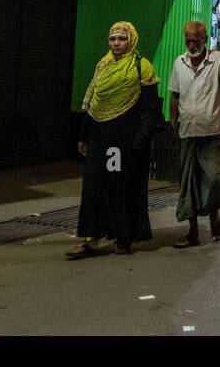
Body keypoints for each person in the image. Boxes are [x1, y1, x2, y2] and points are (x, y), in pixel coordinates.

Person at [68, 21, 160, 259]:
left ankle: (123, 236)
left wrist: (139, 142)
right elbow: (93, 101)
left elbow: (151, 109)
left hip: (123, 141)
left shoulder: (142, 67)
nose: (117, 43)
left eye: (122, 39)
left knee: (117, 186)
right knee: (92, 187)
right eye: (113, 39)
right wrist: (83, 135)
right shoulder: (104, 64)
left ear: (131, 41)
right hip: (99, 135)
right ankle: (90, 238)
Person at [169, 20, 220, 248]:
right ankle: (193, 232)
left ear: (204, 40)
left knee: (212, 179)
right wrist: (174, 120)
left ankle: (215, 217)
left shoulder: (218, 60)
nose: (191, 45)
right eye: (187, 41)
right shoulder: (179, 63)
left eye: (195, 41)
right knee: (188, 183)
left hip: (213, 130)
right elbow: (175, 95)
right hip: (188, 131)